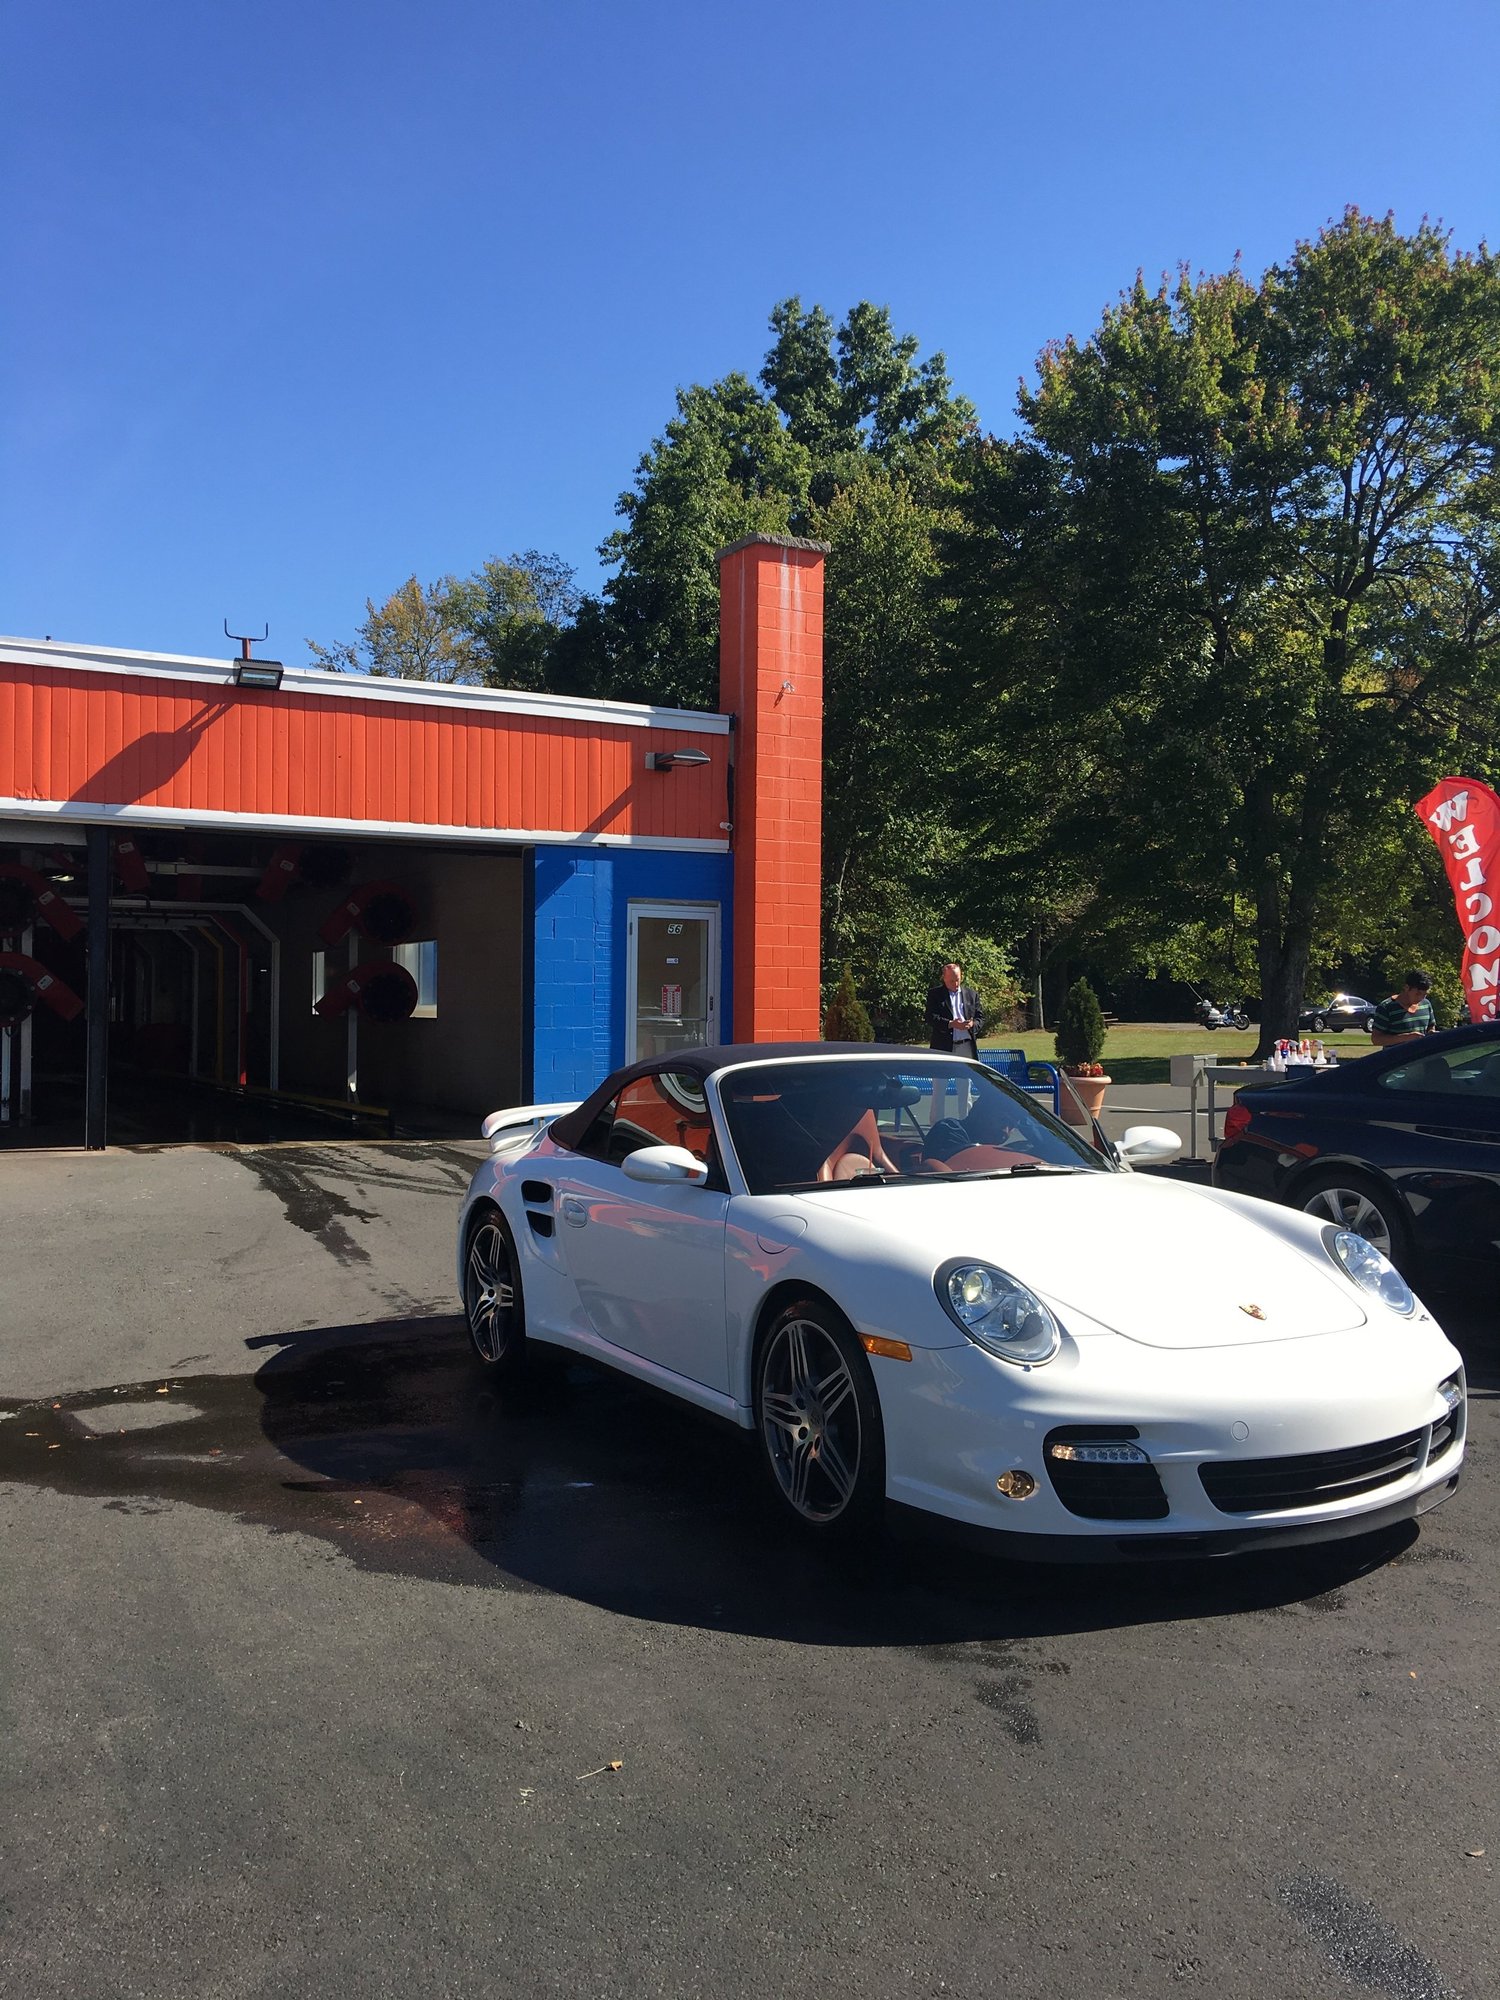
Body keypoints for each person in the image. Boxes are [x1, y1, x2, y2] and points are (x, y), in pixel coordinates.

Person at [926, 962, 983, 1058]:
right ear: (944, 978)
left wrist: (972, 1024)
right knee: (943, 1072)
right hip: (944, 1046)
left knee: (966, 1073)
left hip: (967, 1046)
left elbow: (980, 1018)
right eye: (951, 981)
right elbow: (930, 1017)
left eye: (958, 980)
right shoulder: (935, 995)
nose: (956, 984)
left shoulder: (971, 995)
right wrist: (951, 1024)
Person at [1369, 970, 1437, 1047]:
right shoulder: (1386, 1007)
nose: (1421, 998)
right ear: (1406, 988)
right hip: (1397, 1058)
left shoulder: (1426, 1004)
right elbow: (1376, 1039)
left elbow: (1431, 1026)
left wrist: (1431, 1033)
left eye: (1424, 995)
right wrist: (1405, 1038)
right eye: (1417, 994)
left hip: (1421, 1057)